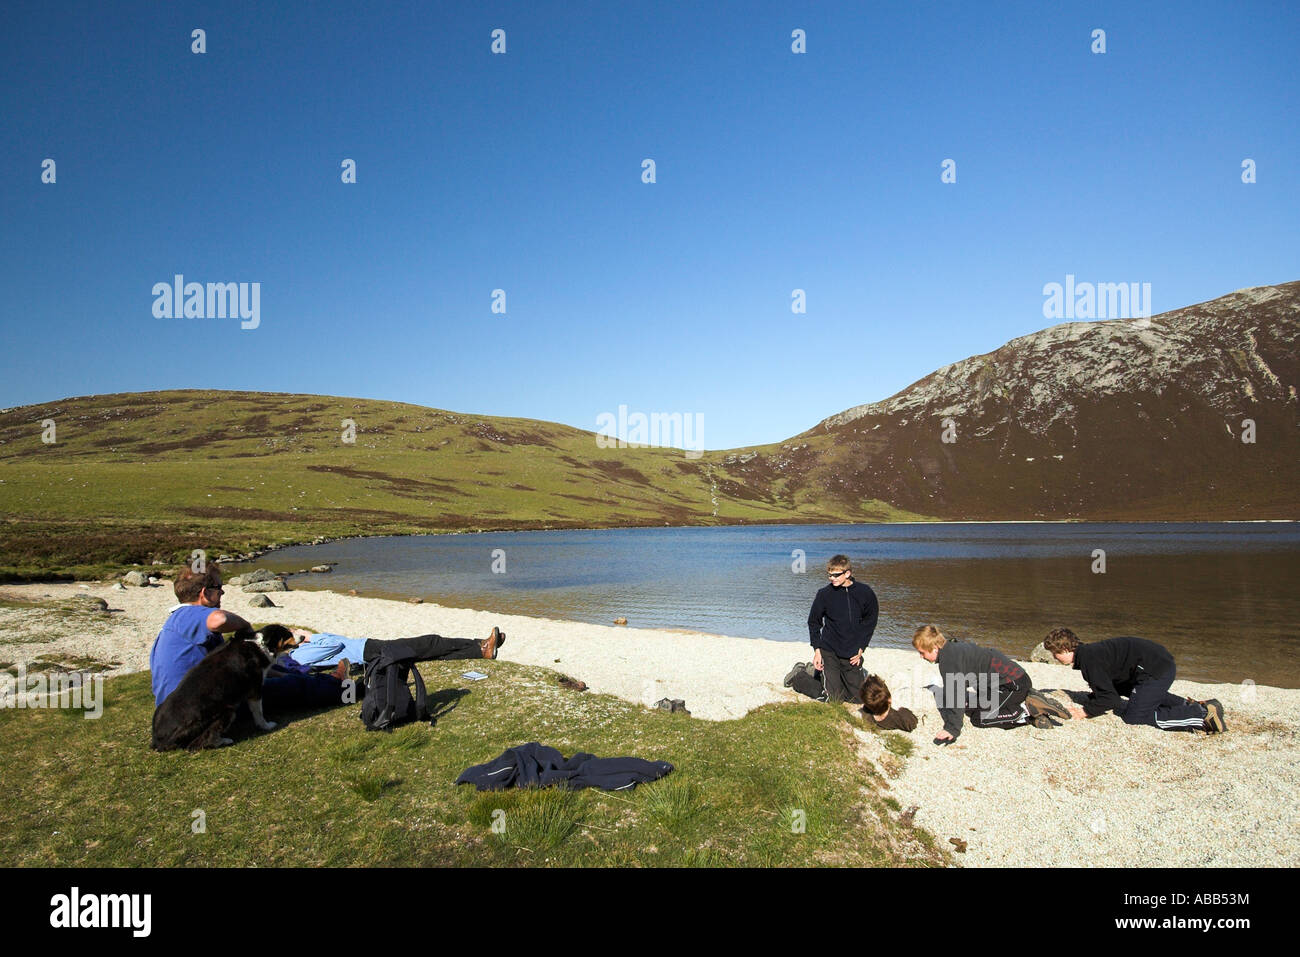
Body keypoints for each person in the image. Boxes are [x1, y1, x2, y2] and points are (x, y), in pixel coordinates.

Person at [149, 564, 352, 714]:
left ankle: (323, 681)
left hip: (181, 705)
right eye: (219, 588)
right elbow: (219, 620)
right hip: (196, 708)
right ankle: (343, 688)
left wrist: (276, 673)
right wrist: (245, 626)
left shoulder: (173, 624)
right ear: (204, 594)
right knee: (290, 688)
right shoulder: (189, 615)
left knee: (283, 675)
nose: (222, 592)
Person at [1042, 628, 1225, 733]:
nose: (1054, 657)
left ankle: (1202, 715)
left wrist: (1085, 712)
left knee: (1135, 717)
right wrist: (1095, 698)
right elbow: (1111, 688)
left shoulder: (1090, 661)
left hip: (1155, 669)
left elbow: (1110, 700)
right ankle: (1187, 705)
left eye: (1055, 653)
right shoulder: (1090, 653)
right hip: (1153, 664)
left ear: (1066, 649)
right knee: (1125, 689)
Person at [912, 624, 1068, 745]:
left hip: (1013, 686)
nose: (921, 656)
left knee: (980, 719)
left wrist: (952, 728)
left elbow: (956, 694)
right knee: (971, 706)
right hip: (1014, 679)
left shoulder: (948, 661)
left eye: (922, 652)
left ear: (934, 648)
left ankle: (1026, 711)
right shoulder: (954, 647)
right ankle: (1031, 703)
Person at [796, 554, 879, 703]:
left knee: (857, 699)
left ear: (847, 573)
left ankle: (819, 674)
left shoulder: (865, 593)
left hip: (851, 652)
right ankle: (798, 676)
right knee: (834, 699)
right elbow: (813, 622)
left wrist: (861, 647)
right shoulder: (824, 594)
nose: (832, 578)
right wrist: (817, 650)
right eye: (829, 575)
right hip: (829, 651)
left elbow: (870, 621)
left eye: (836, 575)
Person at [287, 627, 504, 672]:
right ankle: (481, 645)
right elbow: (336, 644)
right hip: (368, 652)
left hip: (368, 649)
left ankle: (481, 648)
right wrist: (311, 636)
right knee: (430, 642)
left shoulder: (299, 652)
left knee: (428, 652)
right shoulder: (298, 655)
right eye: (292, 633)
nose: (296, 632)